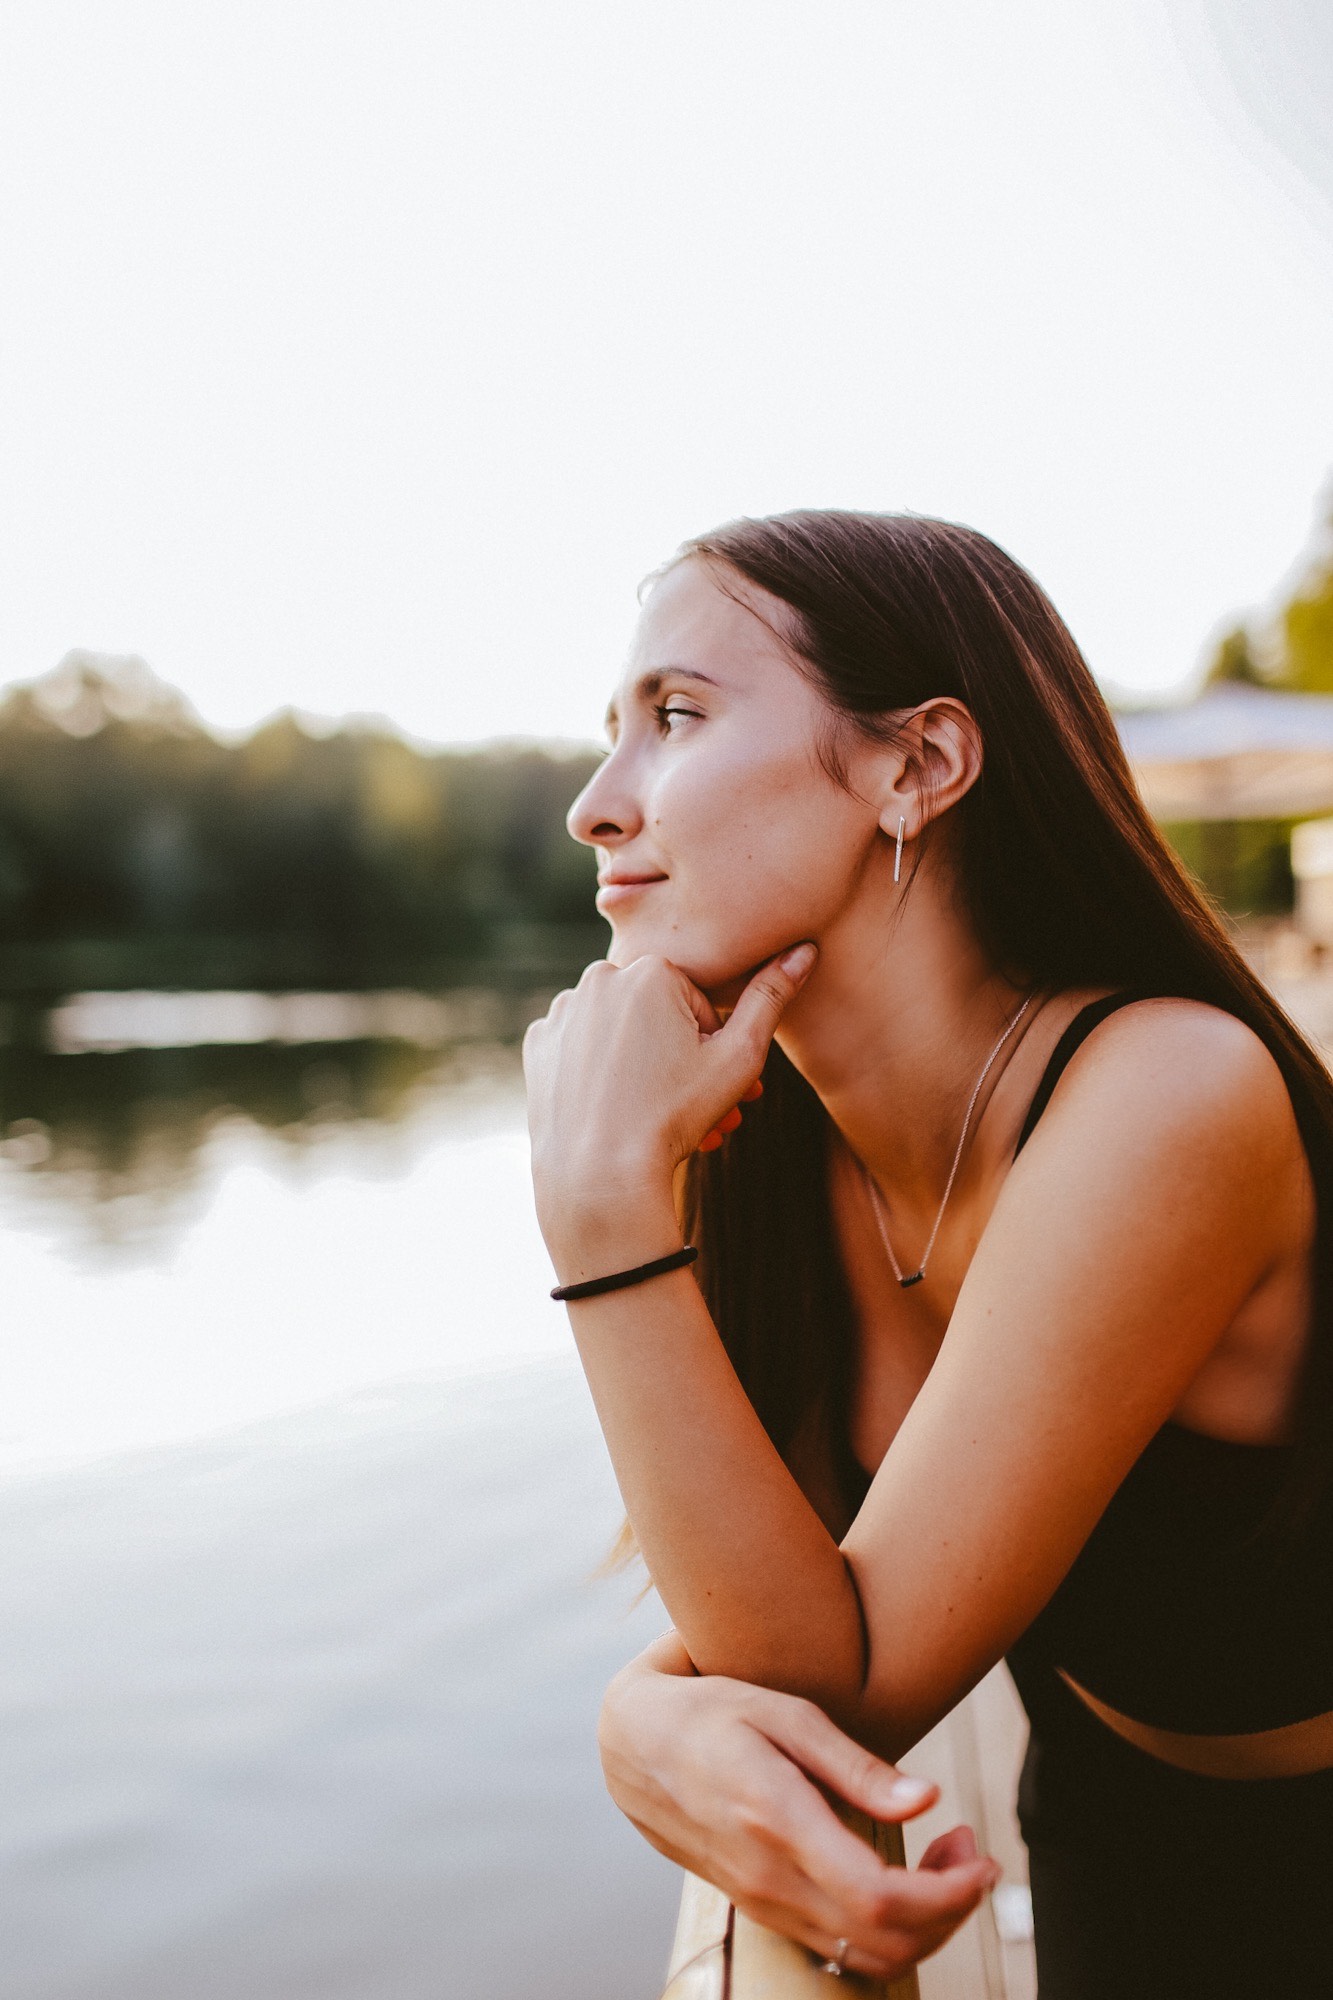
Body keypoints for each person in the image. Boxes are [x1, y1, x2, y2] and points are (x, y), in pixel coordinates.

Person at [521, 511, 1333, 1997]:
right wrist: (643, 1715)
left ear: (919, 767)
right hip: (1109, 1823)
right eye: (609, 732)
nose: (593, 804)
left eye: (674, 718)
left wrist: (598, 1215)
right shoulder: (779, 1140)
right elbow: (801, 1655)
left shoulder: (1167, 1090)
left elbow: (862, 1671)